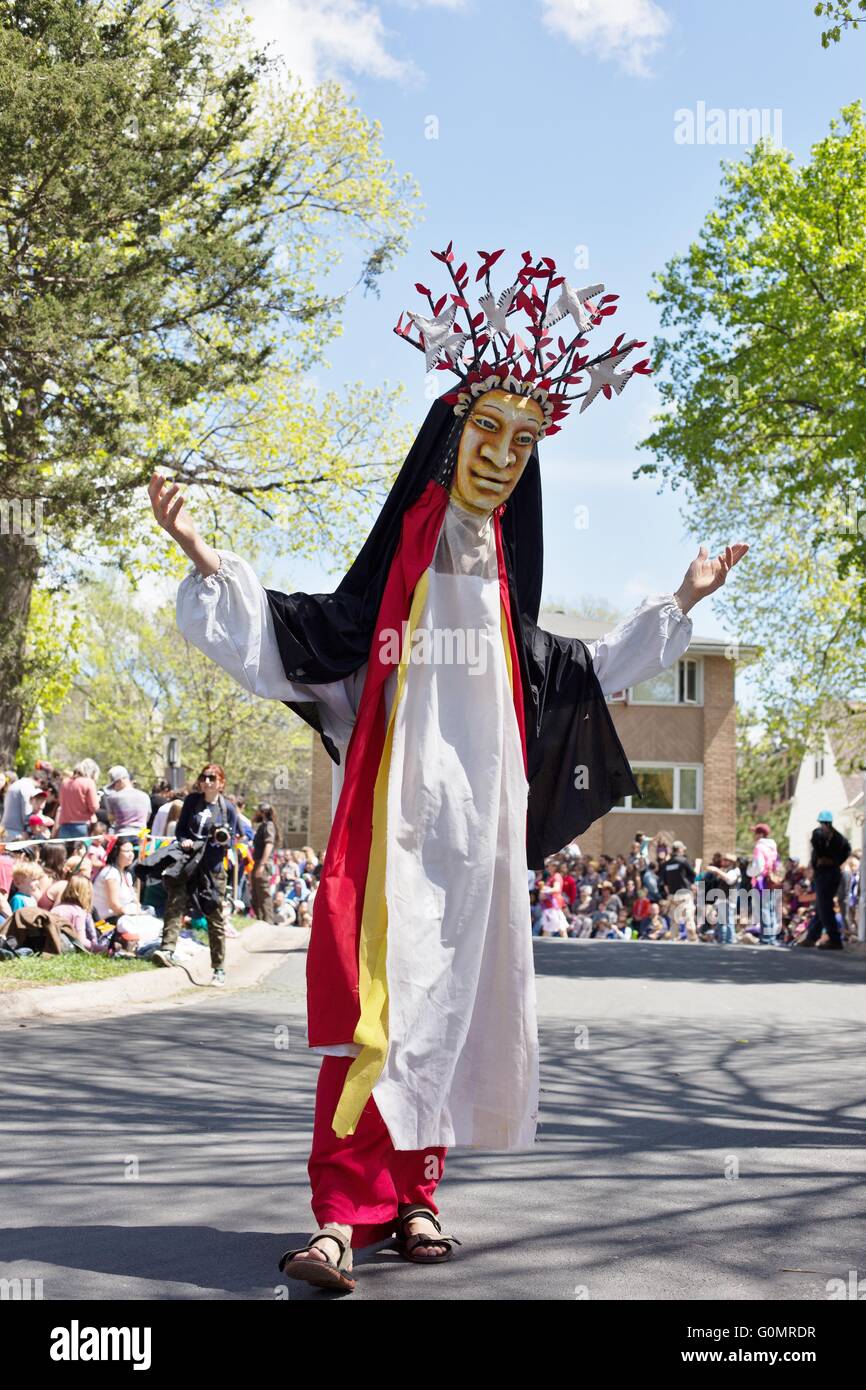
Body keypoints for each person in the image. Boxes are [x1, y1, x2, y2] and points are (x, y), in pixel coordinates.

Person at [151, 240, 748, 1291]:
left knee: (452, 1014)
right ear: (448, 439)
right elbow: (288, 647)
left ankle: (418, 1196)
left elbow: (594, 670)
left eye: (524, 440)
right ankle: (340, 1215)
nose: (502, 453)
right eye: (486, 429)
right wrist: (204, 553)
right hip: (392, 841)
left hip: (477, 856)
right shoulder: (378, 603)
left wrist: (683, 599)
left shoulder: (520, 632)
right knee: (374, 1013)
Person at [152, 765, 240, 986]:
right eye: (204, 777)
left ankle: (218, 968)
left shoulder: (228, 808)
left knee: (214, 914)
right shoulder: (191, 802)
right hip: (188, 860)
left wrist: (222, 839)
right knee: (175, 900)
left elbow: (232, 840)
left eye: (212, 778)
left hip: (212, 867)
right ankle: (167, 948)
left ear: (221, 783)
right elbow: (181, 830)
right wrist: (184, 841)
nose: (208, 782)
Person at [797, 811, 851, 950]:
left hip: (826, 874)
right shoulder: (838, 837)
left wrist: (828, 859)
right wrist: (836, 861)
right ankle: (812, 937)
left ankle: (834, 939)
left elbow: (818, 843)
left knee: (825, 907)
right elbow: (847, 850)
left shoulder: (822, 834)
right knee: (821, 906)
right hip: (831, 873)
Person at [748, 822, 782, 946]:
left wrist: (749, 872)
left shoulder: (759, 847)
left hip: (762, 881)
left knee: (764, 909)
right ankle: (772, 936)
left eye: (755, 833)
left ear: (760, 834)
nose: (754, 836)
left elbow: (759, 866)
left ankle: (766, 937)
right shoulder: (773, 847)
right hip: (771, 880)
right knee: (771, 909)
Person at [660, 839, 697, 941]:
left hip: (672, 895)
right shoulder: (683, 861)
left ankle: (673, 941)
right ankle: (692, 939)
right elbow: (693, 875)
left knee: (674, 920)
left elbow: (665, 883)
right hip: (684, 893)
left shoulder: (666, 864)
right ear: (680, 849)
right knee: (689, 918)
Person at [57, 762, 101, 844]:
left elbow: (61, 803)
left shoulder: (64, 783)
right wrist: (97, 800)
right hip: (82, 826)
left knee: (65, 854)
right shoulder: (89, 782)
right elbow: (94, 807)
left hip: (64, 826)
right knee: (82, 854)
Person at [251, 803, 279, 923]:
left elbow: (269, 844)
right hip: (258, 861)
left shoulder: (269, 825)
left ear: (261, 812)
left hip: (263, 862)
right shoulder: (263, 825)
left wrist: (262, 864)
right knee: (257, 893)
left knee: (263, 893)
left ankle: (268, 921)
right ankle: (261, 919)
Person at [104, 767, 151, 835]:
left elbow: (111, 819)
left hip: (122, 835)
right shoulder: (145, 796)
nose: (114, 788)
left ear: (121, 780)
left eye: (114, 785)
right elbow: (147, 818)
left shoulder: (113, 798)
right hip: (142, 836)